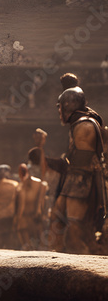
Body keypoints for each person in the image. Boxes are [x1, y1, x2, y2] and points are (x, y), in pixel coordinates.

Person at [32, 74, 106, 254]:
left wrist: (59, 163)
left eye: (60, 108)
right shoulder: (78, 125)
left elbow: (83, 163)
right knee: (56, 217)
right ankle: (57, 258)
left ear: (68, 106)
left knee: (75, 227)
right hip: (73, 181)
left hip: (81, 183)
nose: (59, 113)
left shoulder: (84, 126)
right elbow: (73, 160)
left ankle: (86, 264)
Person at [14, 162, 48, 250]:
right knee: (36, 238)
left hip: (29, 215)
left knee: (30, 237)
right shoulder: (39, 183)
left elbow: (22, 204)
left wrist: (18, 217)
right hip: (33, 215)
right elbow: (41, 200)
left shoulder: (23, 186)